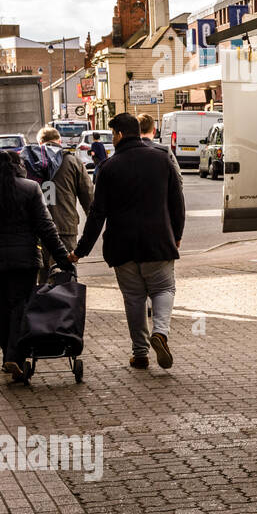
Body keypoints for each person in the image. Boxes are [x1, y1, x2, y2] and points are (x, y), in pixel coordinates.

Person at [70, 112, 185, 370]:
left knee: (133, 298)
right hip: (158, 242)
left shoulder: (108, 168)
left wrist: (81, 250)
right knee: (164, 289)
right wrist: (176, 235)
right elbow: (177, 202)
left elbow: (97, 214)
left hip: (122, 247)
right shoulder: (161, 159)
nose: (112, 138)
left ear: (120, 134)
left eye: (113, 133)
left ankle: (140, 353)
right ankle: (161, 332)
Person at [0, 151, 74, 378]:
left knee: (1, 308)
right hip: (24, 261)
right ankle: (14, 357)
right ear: (18, 166)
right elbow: (46, 228)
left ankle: (8, 354)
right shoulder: (30, 188)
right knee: (19, 307)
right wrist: (63, 259)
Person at [23, 126, 94, 283]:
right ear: (59, 141)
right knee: (65, 277)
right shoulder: (72, 161)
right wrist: (93, 227)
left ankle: (42, 304)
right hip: (65, 228)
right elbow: (88, 198)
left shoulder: (28, 163)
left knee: (41, 278)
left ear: (40, 142)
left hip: (36, 230)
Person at [137, 113, 182, 177]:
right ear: (154, 131)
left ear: (137, 131)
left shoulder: (127, 152)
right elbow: (178, 178)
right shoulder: (165, 151)